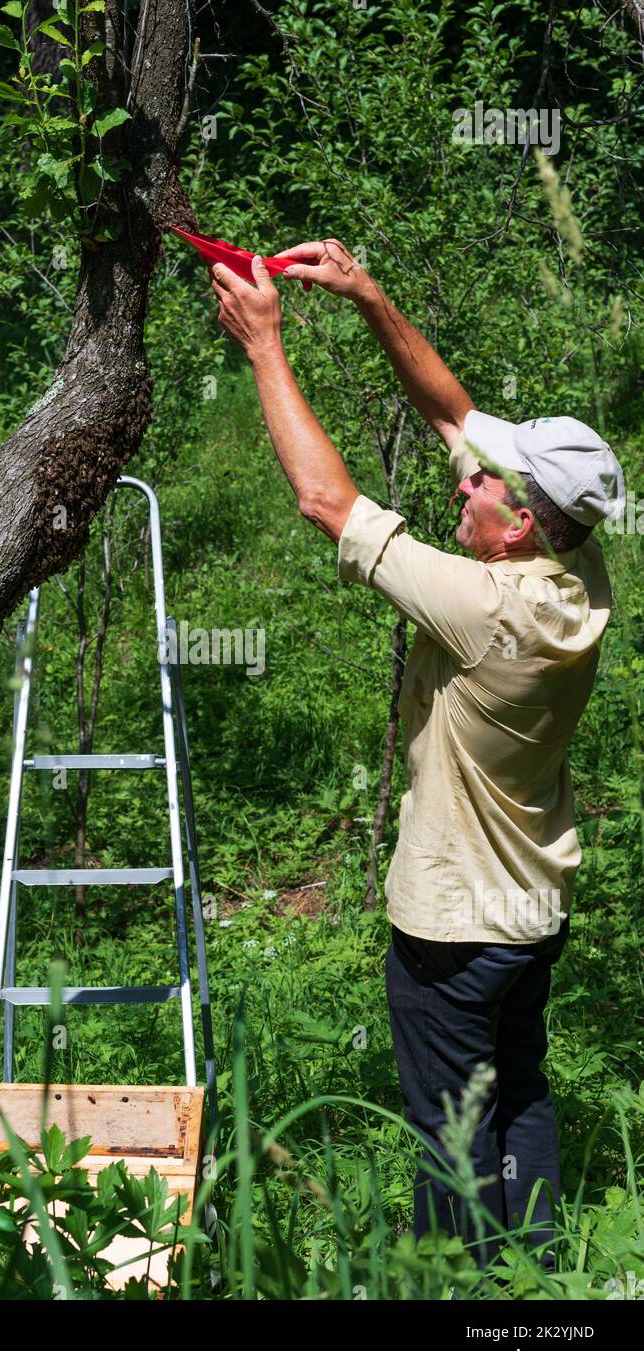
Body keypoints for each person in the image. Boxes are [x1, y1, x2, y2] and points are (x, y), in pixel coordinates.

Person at [209, 237, 625, 1270]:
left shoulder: (489, 609)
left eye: (476, 487)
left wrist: (264, 346)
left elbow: (325, 504)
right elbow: (450, 411)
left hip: (449, 929)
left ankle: (454, 1295)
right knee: (517, 1092)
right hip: (529, 914)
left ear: (517, 519)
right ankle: (527, 1276)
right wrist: (363, 293)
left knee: (447, 1133)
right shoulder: (577, 568)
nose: (459, 485)